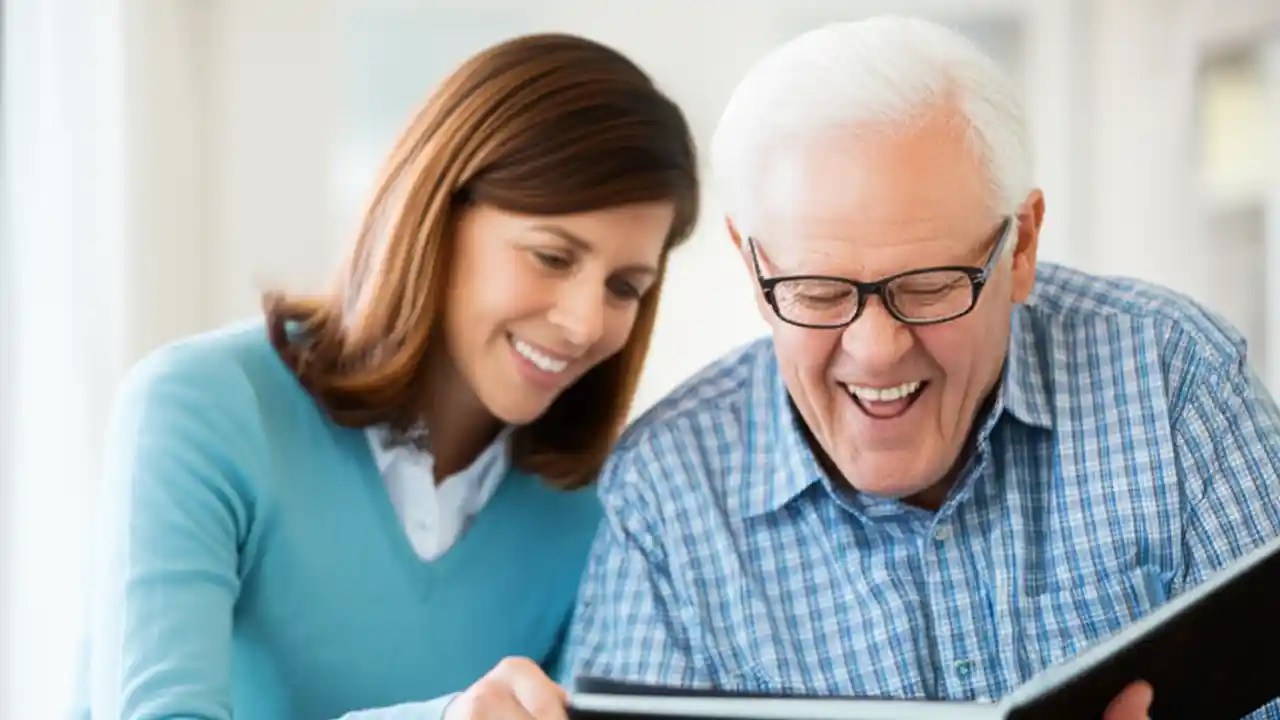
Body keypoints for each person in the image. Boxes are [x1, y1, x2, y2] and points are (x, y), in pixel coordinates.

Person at [558, 15, 1279, 720]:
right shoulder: (666, 494)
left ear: (1020, 248)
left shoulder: (1175, 379)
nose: (876, 349)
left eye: (930, 286)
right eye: (818, 292)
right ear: (753, 268)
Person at [72, 33, 697, 720]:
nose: (584, 322)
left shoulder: (601, 509)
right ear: (434, 217)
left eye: (625, 287)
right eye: (551, 257)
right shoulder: (200, 408)